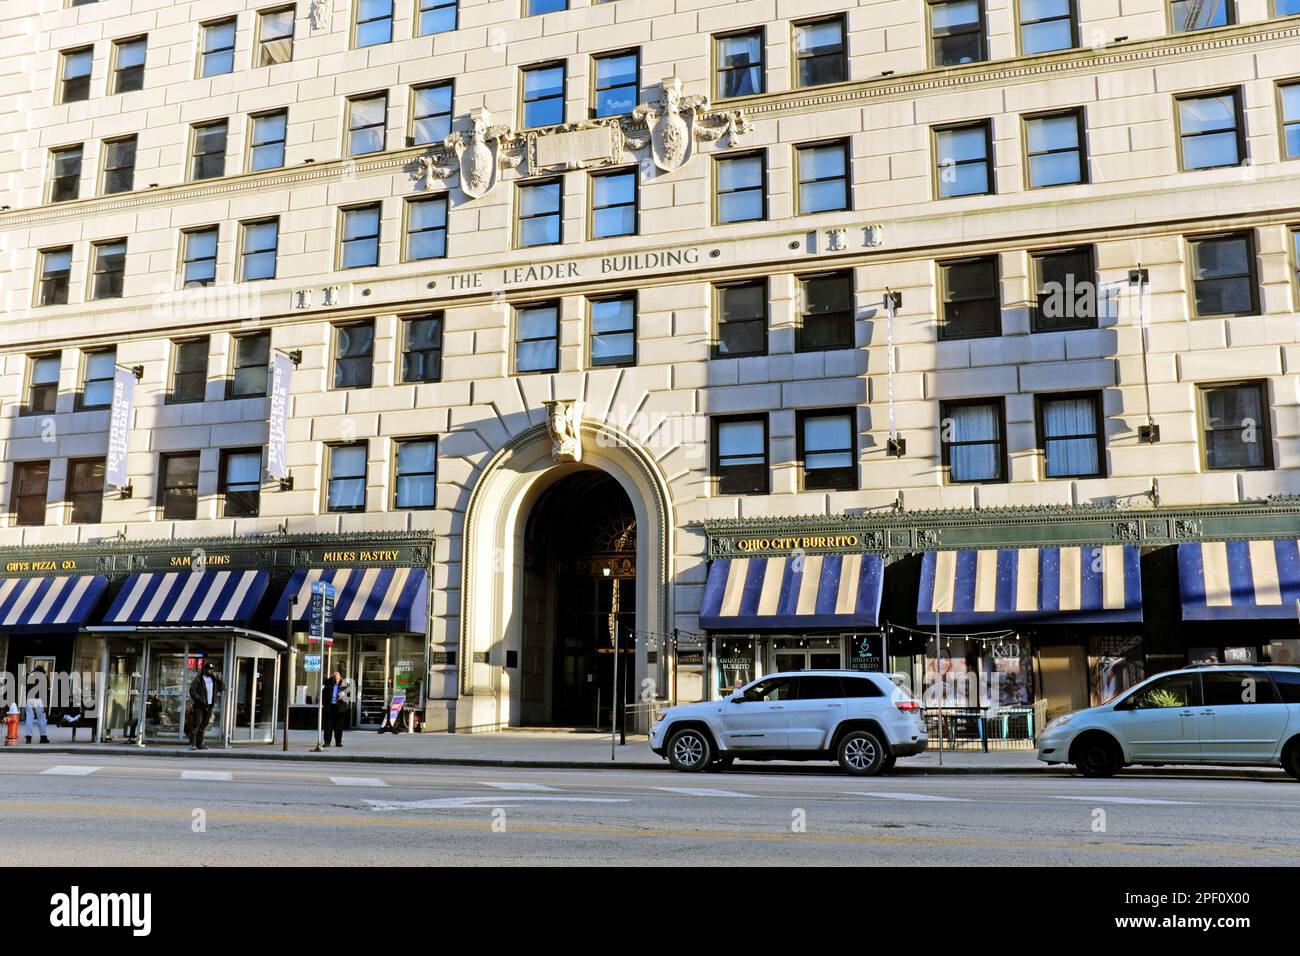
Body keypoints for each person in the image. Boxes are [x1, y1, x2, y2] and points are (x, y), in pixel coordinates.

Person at [187, 662, 223, 750]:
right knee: (197, 724)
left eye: (212, 669)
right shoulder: (198, 679)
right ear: (205, 669)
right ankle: (192, 744)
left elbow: (221, 688)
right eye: (209, 669)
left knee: (204, 725)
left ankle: (200, 744)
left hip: (209, 705)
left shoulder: (214, 679)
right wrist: (199, 699)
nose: (210, 671)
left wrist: (219, 680)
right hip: (199, 705)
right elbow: (192, 690)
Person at [321, 669, 354, 748]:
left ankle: (338, 742)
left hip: (340, 708)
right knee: (328, 726)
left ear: (340, 678)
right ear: (333, 678)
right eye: (335, 679)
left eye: (338, 679)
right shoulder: (328, 684)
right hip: (330, 707)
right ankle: (327, 742)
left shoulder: (344, 685)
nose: (337, 681)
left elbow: (348, 695)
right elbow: (323, 695)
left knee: (339, 726)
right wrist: (325, 705)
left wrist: (343, 695)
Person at [25, 664, 50, 744]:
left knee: (29, 718)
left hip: (29, 699)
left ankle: (28, 737)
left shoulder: (29, 676)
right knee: (41, 718)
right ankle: (43, 737)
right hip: (39, 700)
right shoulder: (44, 677)